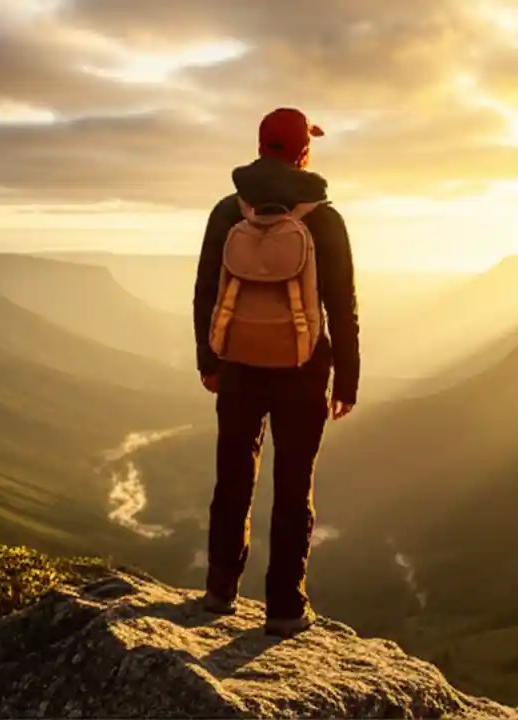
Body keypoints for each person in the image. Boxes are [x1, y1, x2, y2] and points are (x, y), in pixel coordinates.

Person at [192, 107, 360, 638]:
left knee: (233, 476)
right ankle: (285, 607)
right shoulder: (324, 219)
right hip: (303, 369)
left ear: (262, 147)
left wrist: (209, 360)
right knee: (293, 485)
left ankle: (220, 590)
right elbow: (341, 304)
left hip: (238, 364)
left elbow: (206, 290)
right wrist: (347, 379)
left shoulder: (229, 211)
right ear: (304, 152)